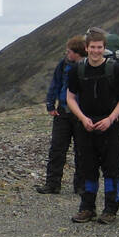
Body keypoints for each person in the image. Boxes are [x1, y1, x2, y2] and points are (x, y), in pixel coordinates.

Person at [66, 27, 119, 224]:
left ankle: (110, 209)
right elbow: (70, 97)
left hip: (110, 126)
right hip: (85, 126)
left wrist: (111, 119)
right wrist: (83, 118)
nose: (96, 51)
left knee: (112, 169)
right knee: (87, 168)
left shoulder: (116, 69)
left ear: (104, 48)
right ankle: (87, 208)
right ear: (86, 48)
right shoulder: (78, 70)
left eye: (99, 47)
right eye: (92, 47)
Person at [36, 36, 86, 194]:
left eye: (69, 51)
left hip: (81, 113)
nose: (67, 54)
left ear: (76, 52)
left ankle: (81, 185)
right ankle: (52, 183)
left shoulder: (88, 66)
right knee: (57, 149)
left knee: (82, 150)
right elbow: (55, 83)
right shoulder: (63, 64)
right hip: (63, 111)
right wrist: (50, 104)